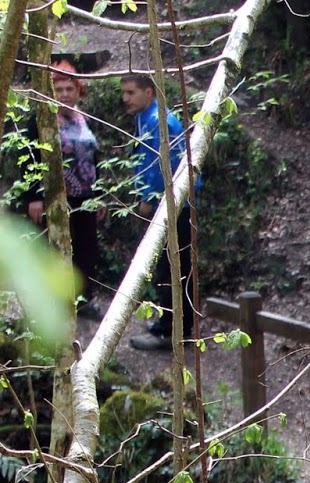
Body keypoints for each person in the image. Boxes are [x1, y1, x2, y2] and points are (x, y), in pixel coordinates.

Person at [121, 72, 201, 350]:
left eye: (131, 93)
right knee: (168, 267)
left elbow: (164, 164)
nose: (125, 99)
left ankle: (172, 331)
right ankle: (174, 324)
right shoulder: (145, 118)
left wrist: (148, 197)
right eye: (124, 93)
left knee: (174, 268)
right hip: (167, 205)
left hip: (173, 206)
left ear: (149, 92)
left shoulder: (161, 122)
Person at [22, 61, 103, 318]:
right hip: (55, 197)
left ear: (79, 91)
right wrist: (34, 197)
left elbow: (94, 159)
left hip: (85, 197)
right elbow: (29, 158)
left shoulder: (84, 119)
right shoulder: (41, 121)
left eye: (70, 88)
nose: (65, 94)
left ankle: (83, 299)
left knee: (87, 249)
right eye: (59, 89)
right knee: (52, 250)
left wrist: (98, 195)